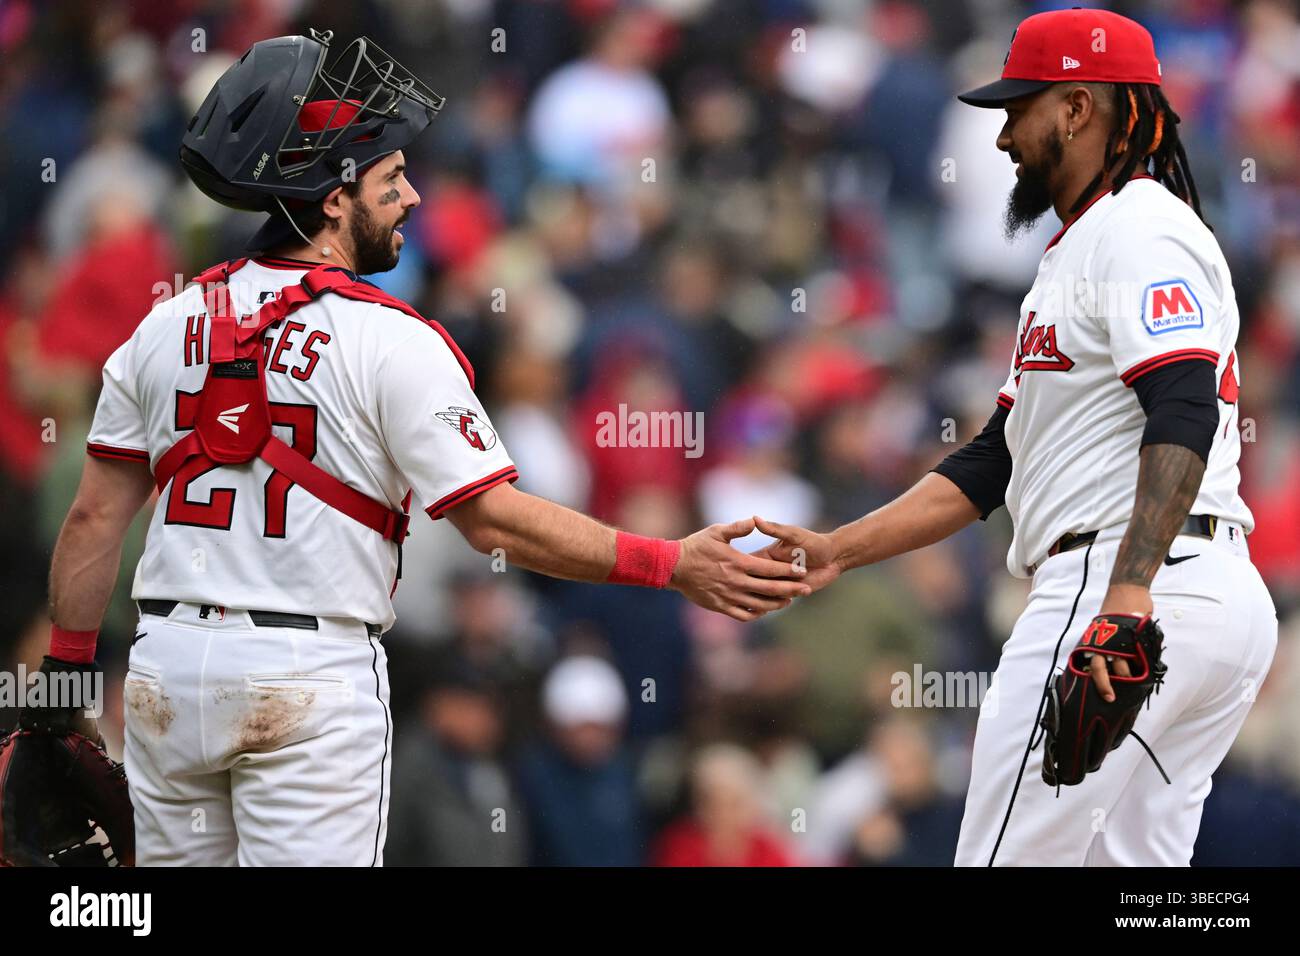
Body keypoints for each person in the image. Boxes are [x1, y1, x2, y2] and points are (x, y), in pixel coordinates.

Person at [23, 30, 807, 867]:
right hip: (307, 676)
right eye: (391, 180)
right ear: (331, 200)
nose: (414, 200)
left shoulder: (163, 324)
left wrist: (60, 688)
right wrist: (668, 563)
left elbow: (94, 518)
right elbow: (496, 524)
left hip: (165, 670)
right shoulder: (393, 338)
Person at [755, 8, 1277, 866]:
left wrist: (1125, 596)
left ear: (1076, 107)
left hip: (1123, 581)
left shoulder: (1138, 227)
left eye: (1016, 110)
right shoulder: (1082, 248)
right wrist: (841, 550)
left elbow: (1184, 407)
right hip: (1206, 597)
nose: (1000, 139)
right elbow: (995, 458)